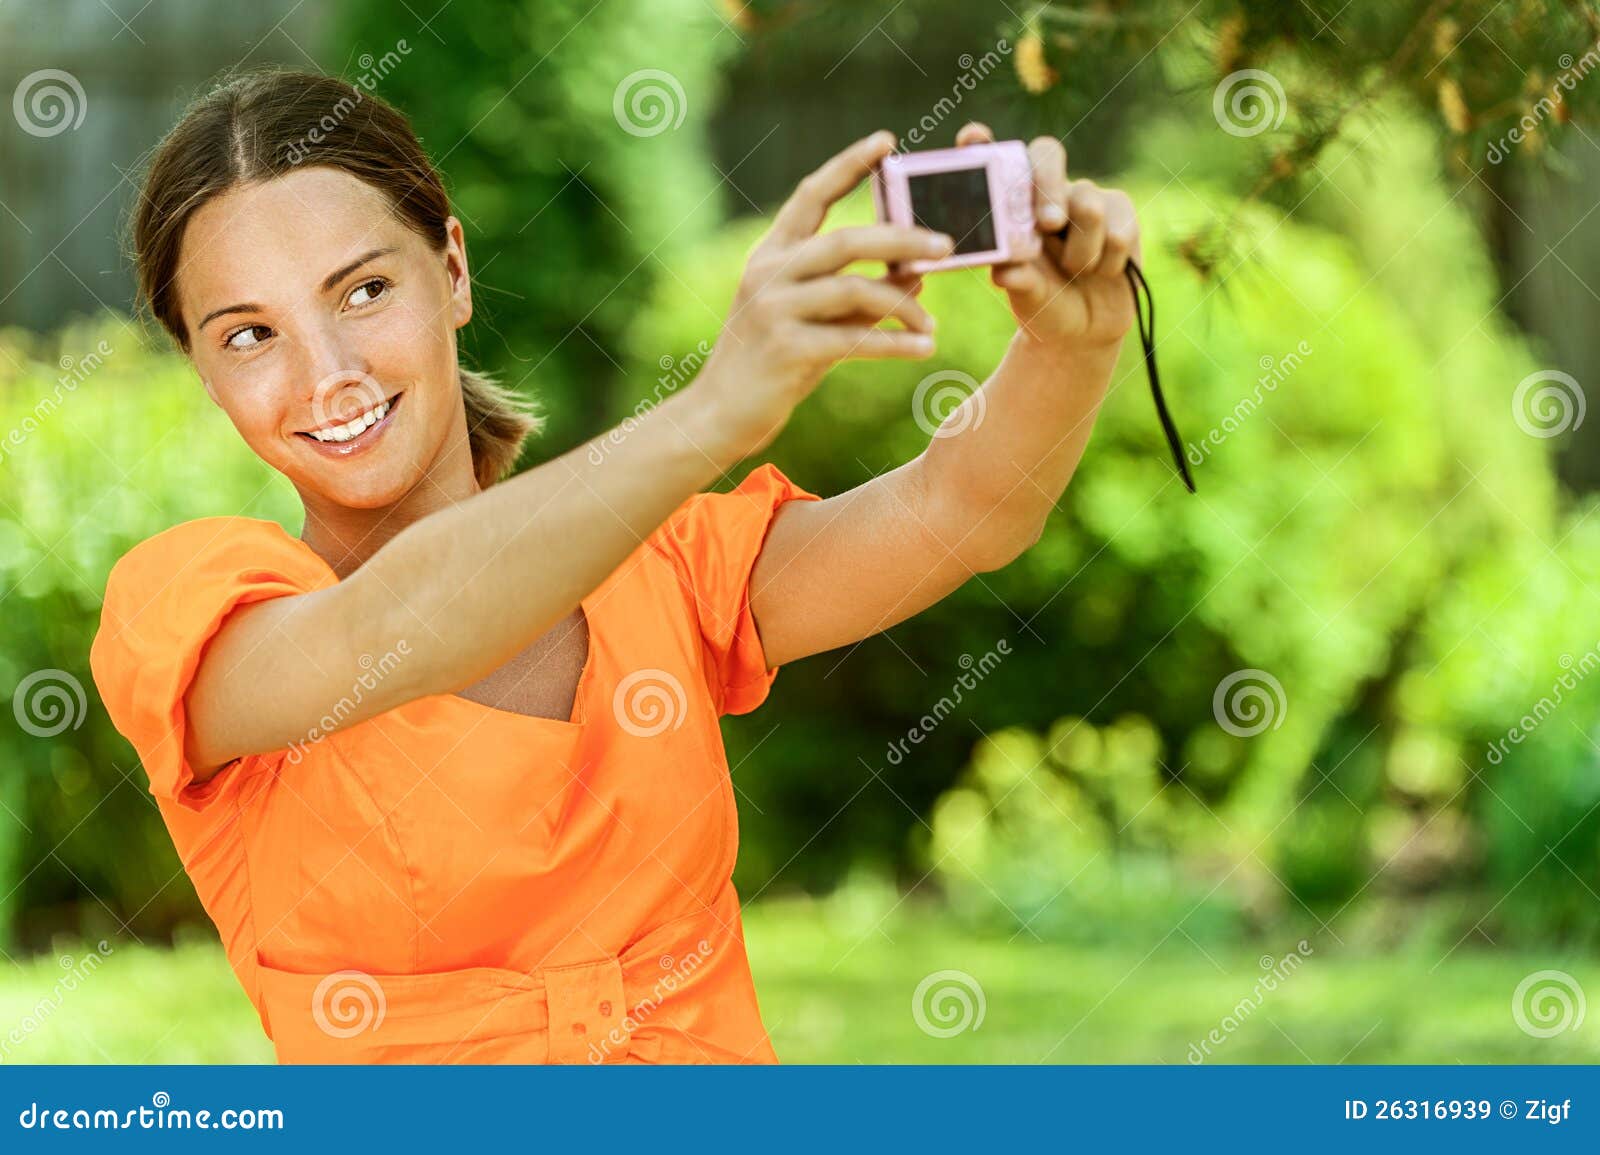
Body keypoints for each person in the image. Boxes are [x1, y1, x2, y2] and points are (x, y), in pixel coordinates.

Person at [89, 68, 1143, 1063]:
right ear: (203, 369)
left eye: (363, 291)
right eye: (248, 336)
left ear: (452, 270)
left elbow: (959, 509)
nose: (328, 374)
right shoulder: (196, 614)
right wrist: (711, 411)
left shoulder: (663, 565)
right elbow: (389, 631)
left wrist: (1070, 345)